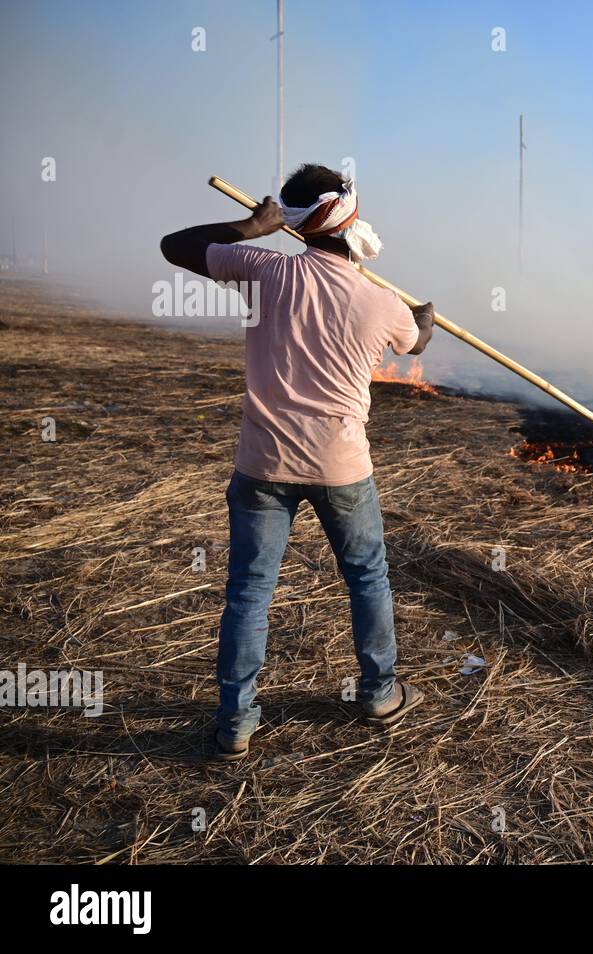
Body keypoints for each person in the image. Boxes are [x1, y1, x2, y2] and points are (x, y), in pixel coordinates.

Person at [160, 163, 434, 760]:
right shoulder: (380, 301)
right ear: (349, 217)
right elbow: (415, 341)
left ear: (293, 223)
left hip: (262, 463)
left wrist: (250, 227)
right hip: (341, 466)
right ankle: (380, 694)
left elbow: (173, 246)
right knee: (366, 578)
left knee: (249, 591)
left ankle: (235, 723)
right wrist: (426, 322)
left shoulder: (262, 269)